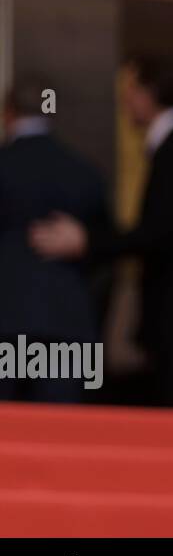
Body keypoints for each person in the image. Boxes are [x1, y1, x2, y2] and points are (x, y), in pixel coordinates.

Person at [29, 55, 173, 409]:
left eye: (130, 88)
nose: (124, 99)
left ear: (151, 92)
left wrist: (88, 239)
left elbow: (159, 232)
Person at [0, 79, 109, 403]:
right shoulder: (85, 171)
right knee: (60, 435)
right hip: (68, 323)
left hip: (5, 321)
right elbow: (105, 247)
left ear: (9, 111)